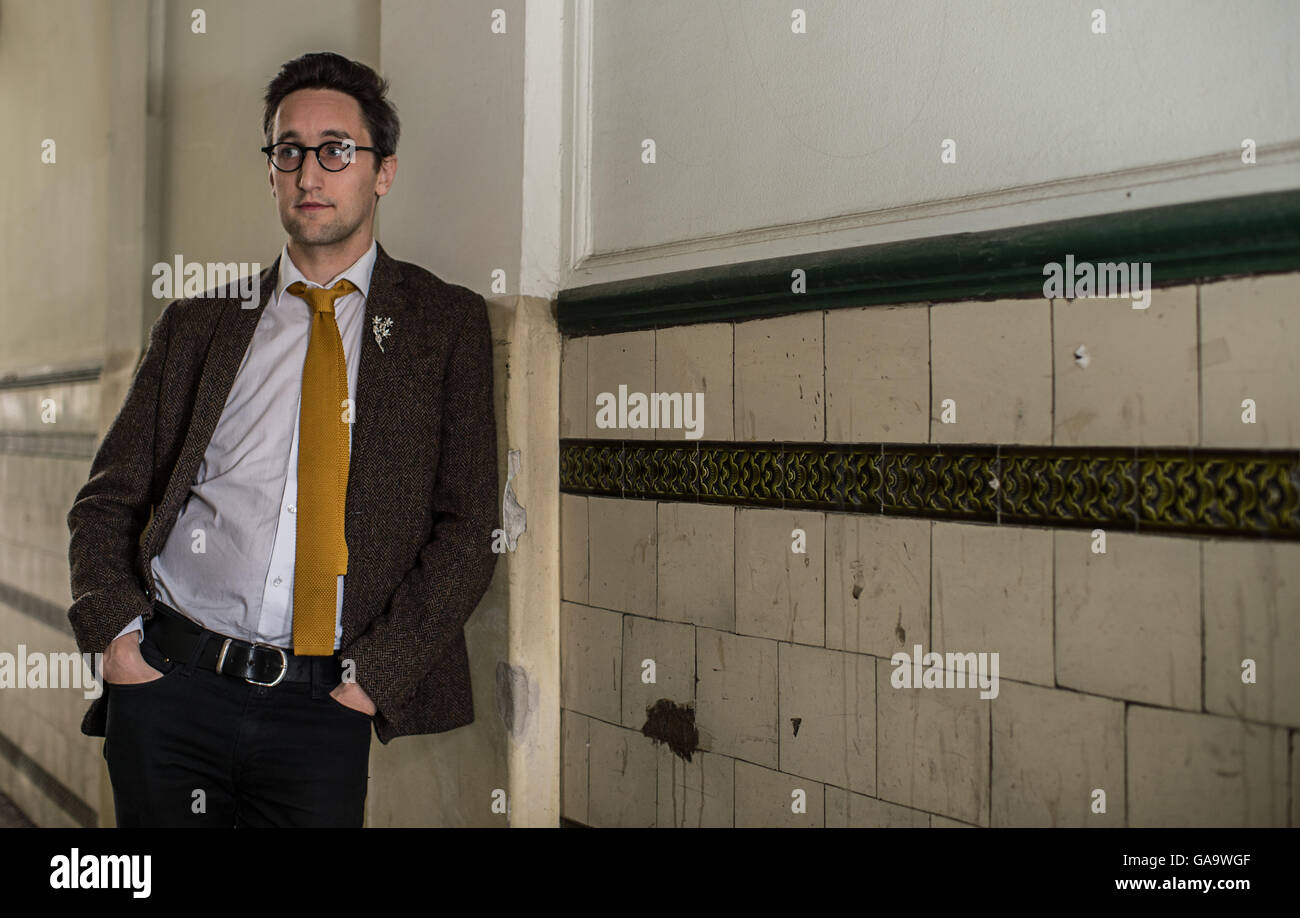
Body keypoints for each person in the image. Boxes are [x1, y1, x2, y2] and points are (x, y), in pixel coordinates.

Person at [66, 51, 499, 827]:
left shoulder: (444, 324)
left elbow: (469, 531)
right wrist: (118, 642)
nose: (309, 174)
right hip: (169, 685)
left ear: (383, 171)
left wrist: (372, 681)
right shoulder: (200, 324)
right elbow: (106, 501)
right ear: (270, 170)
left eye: (336, 150)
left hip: (321, 707)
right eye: (288, 151)